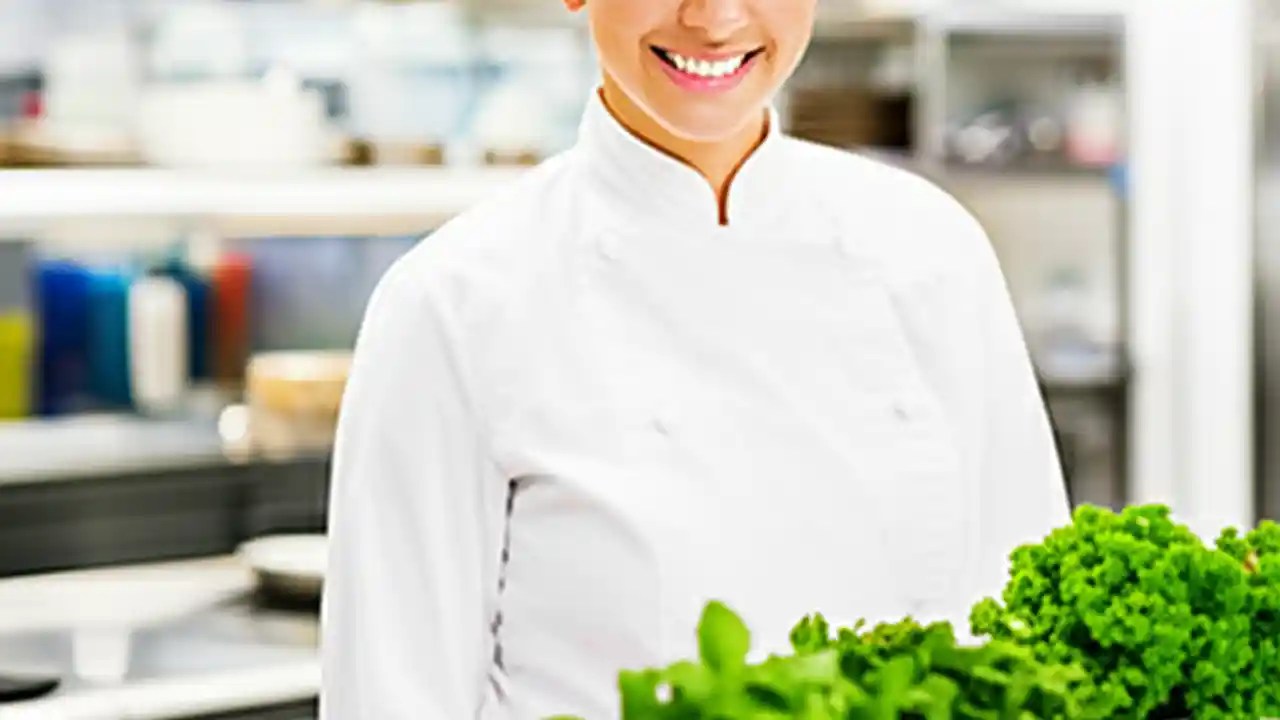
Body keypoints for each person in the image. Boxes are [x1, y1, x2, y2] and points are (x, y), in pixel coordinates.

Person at [319, 0, 1070, 717]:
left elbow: (1032, 649)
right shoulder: (450, 305)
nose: (714, 19)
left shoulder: (933, 253)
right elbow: (393, 699)